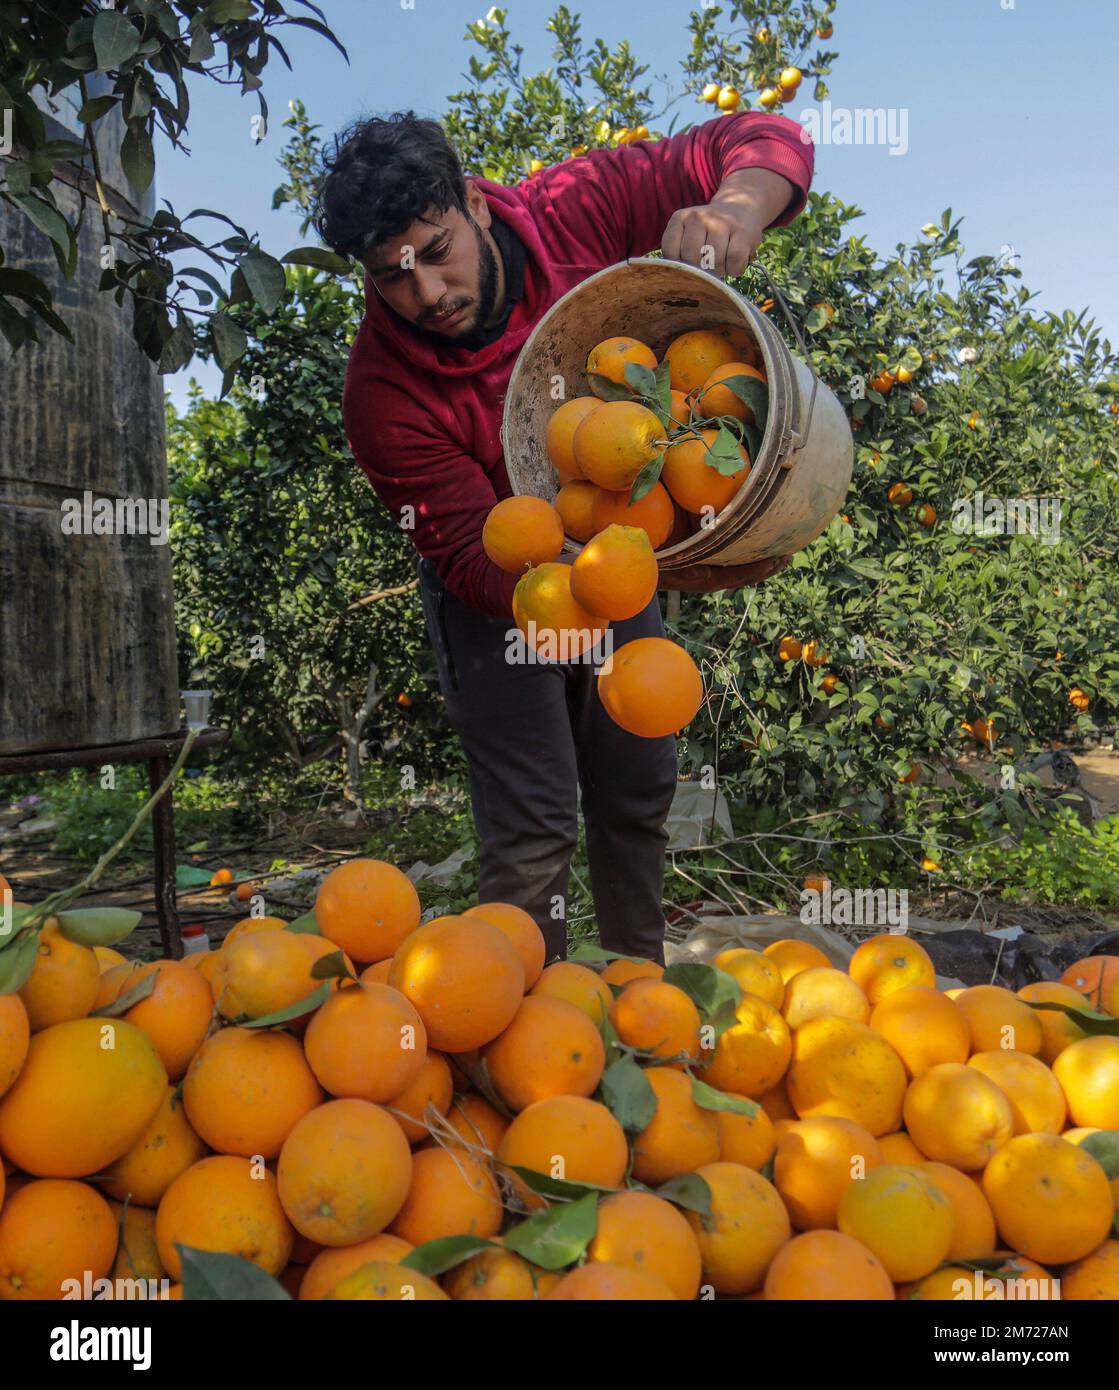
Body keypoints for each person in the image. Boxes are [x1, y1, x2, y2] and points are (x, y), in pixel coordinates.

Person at [314, 109, 814, 965]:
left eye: (437, 253)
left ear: (471, 203)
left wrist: (735, 204)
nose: (428, 295)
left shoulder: (573, 208)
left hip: (620, 542)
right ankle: (531, 1032)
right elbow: (477, 555)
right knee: (533, 818)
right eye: (393, 277)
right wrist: (615, 560)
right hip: (504, 588)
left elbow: (764, 136)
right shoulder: (382, 395)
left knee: (636, 783)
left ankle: (634, 994)